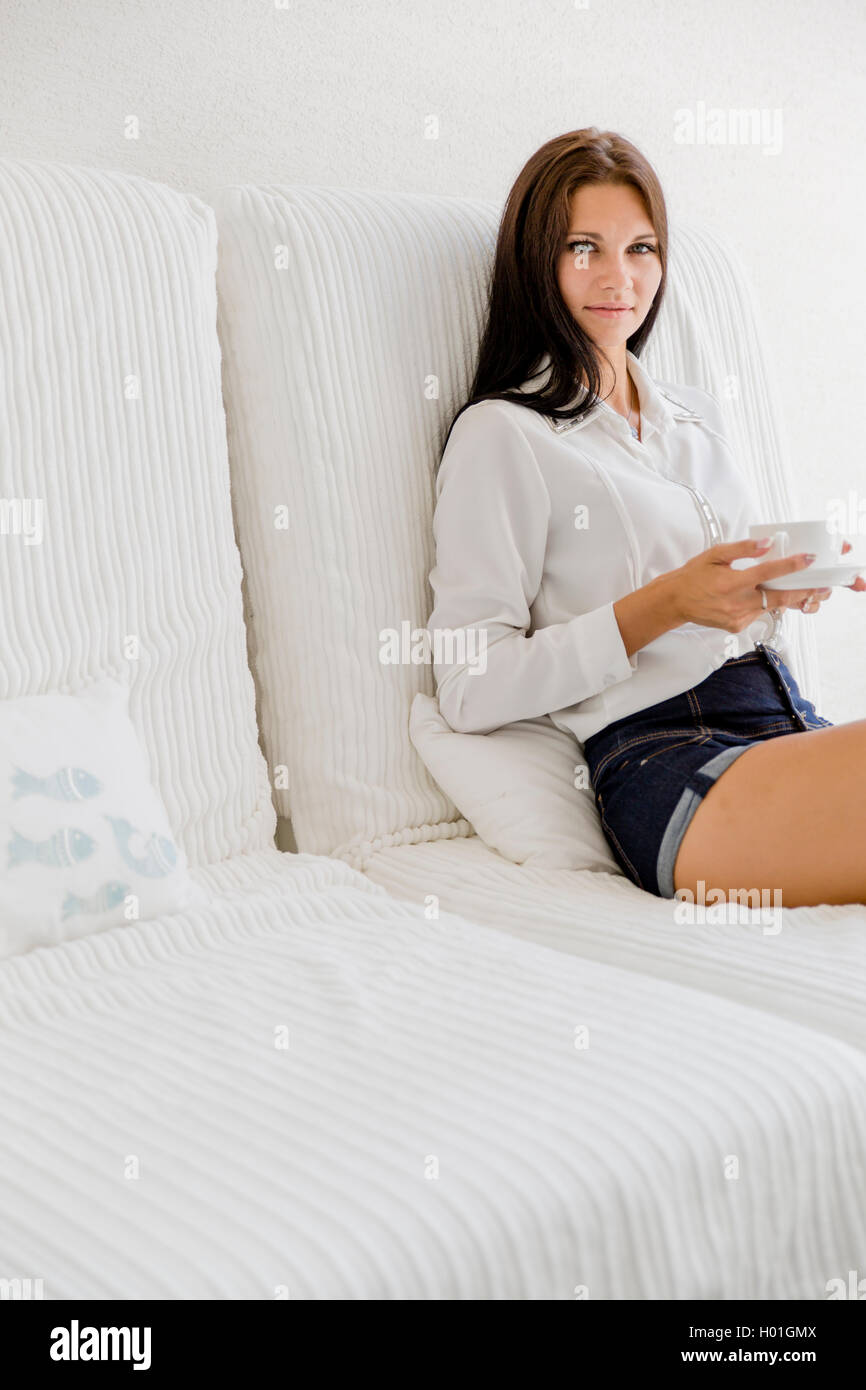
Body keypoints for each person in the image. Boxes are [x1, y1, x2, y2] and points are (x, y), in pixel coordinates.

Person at [427, 127, 866, 907]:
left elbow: (721, 603)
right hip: (665, 761)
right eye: (584, 247)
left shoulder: (694, 420)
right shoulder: (505, 433)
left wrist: (771, 596)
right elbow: (466, 685)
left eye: (642, 249)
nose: (619, 278)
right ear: (537, 261)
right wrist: (659, 608)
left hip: (783, 721)